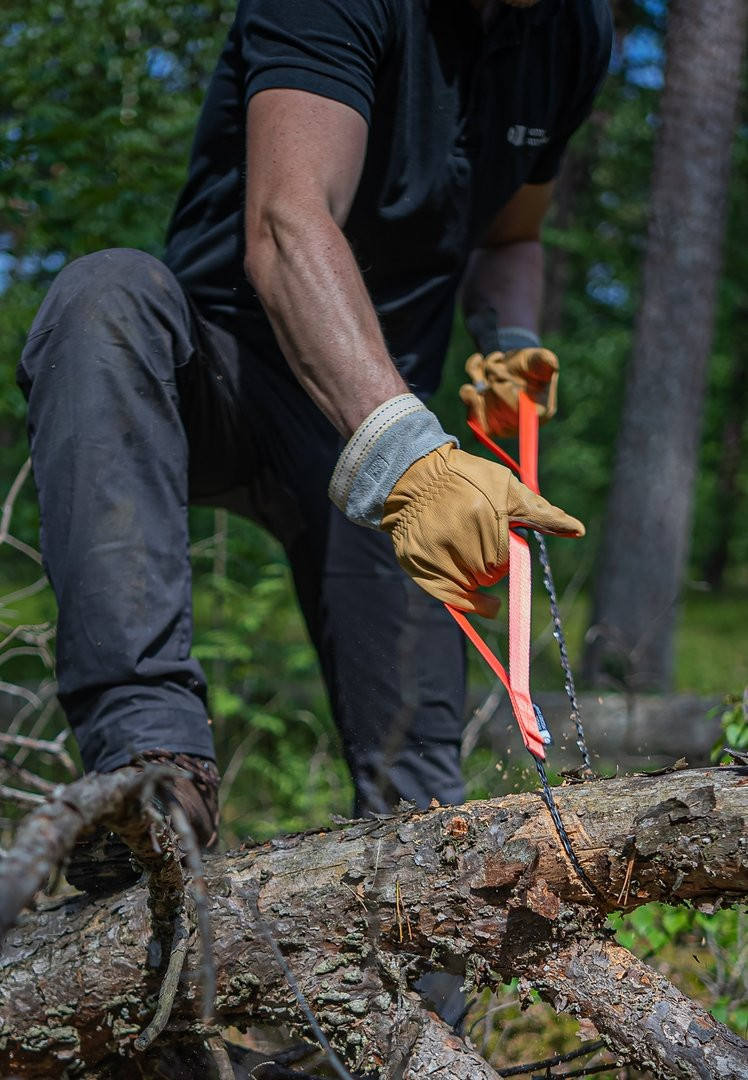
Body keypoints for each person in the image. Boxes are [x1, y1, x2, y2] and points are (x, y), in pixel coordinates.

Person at [17, 0, 612, 879]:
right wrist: (408, 457)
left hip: (381, 416)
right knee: (105, 299)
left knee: (424, 801)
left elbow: (511, 235)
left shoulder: (574, 33)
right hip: (222, 373)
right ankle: (150, 772)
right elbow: (287, 225)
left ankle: (414, 1007)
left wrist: (510, 339)